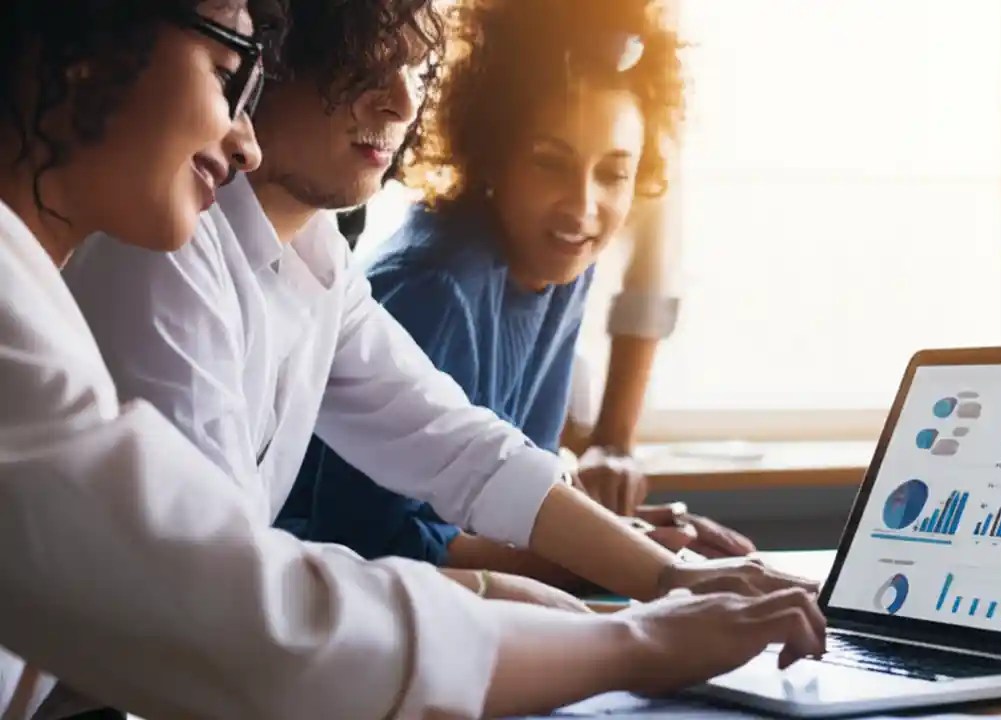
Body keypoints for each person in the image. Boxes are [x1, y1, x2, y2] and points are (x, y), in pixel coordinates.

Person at [1, 1, 826, 718]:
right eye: (228, 69)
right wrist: (626, 636)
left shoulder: (314, 254)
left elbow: (455, 440)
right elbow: (234, 615)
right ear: (85, 49)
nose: (239, 134)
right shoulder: (131, 265)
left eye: (417, 70)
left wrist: (667, 579)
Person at [278, 0, 753, 591]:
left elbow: (507, 486)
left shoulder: (561, 266)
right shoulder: (436, 286)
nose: (582, 209)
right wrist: (618, 562)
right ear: (493, 155)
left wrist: (623, 537)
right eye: (550, 164)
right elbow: (368, 542)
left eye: (613, 174)